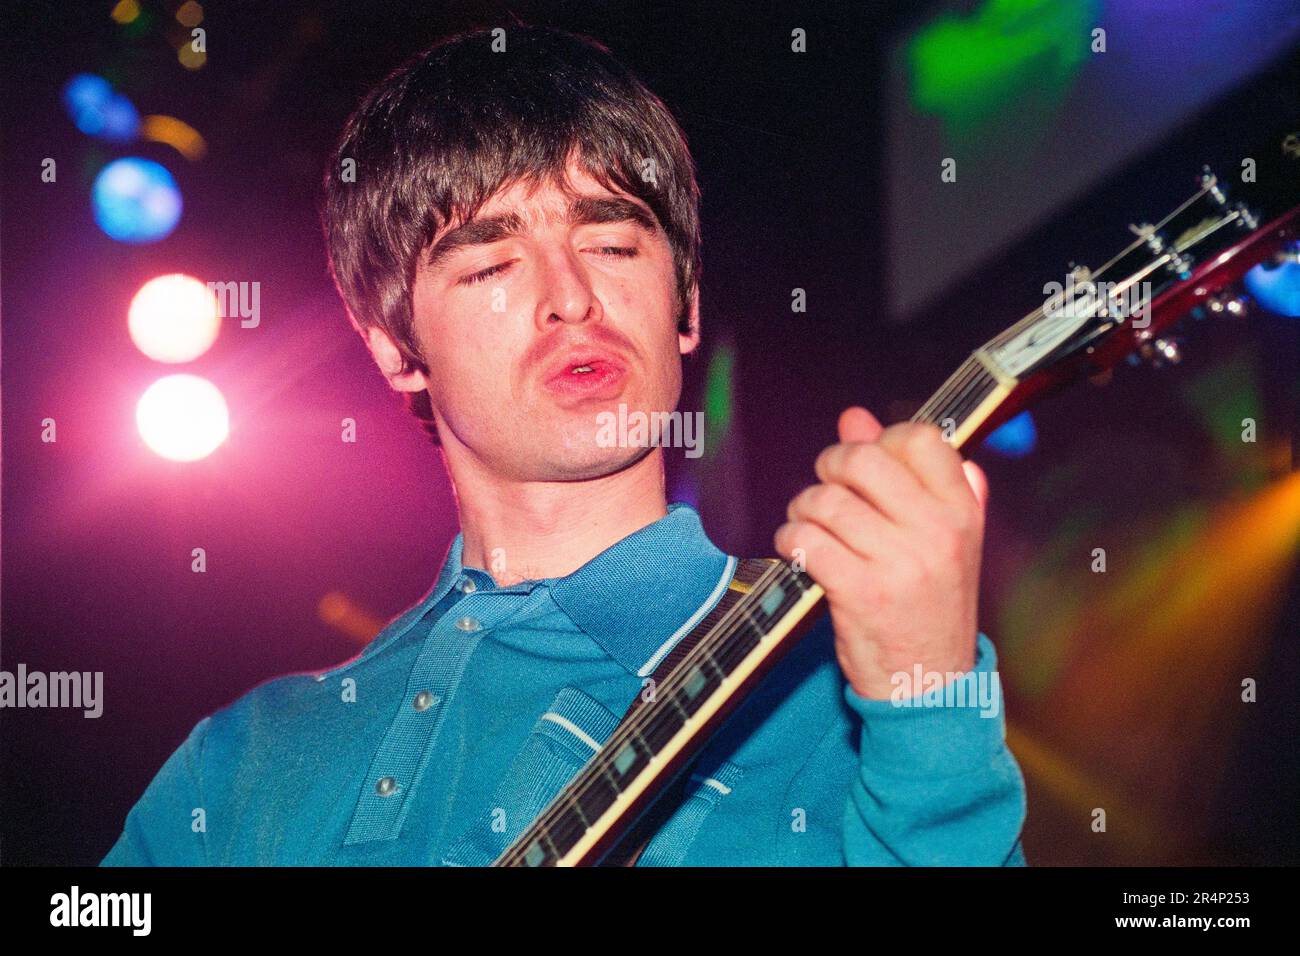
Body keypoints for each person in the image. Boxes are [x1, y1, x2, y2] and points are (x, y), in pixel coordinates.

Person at [102, 23, 1026, 867]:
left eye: (616, 245)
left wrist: (928, 691)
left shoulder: (843, 695)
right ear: (395, 347)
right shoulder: (241, 762)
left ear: (687, 305)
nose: (570, 297)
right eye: (492, 263)